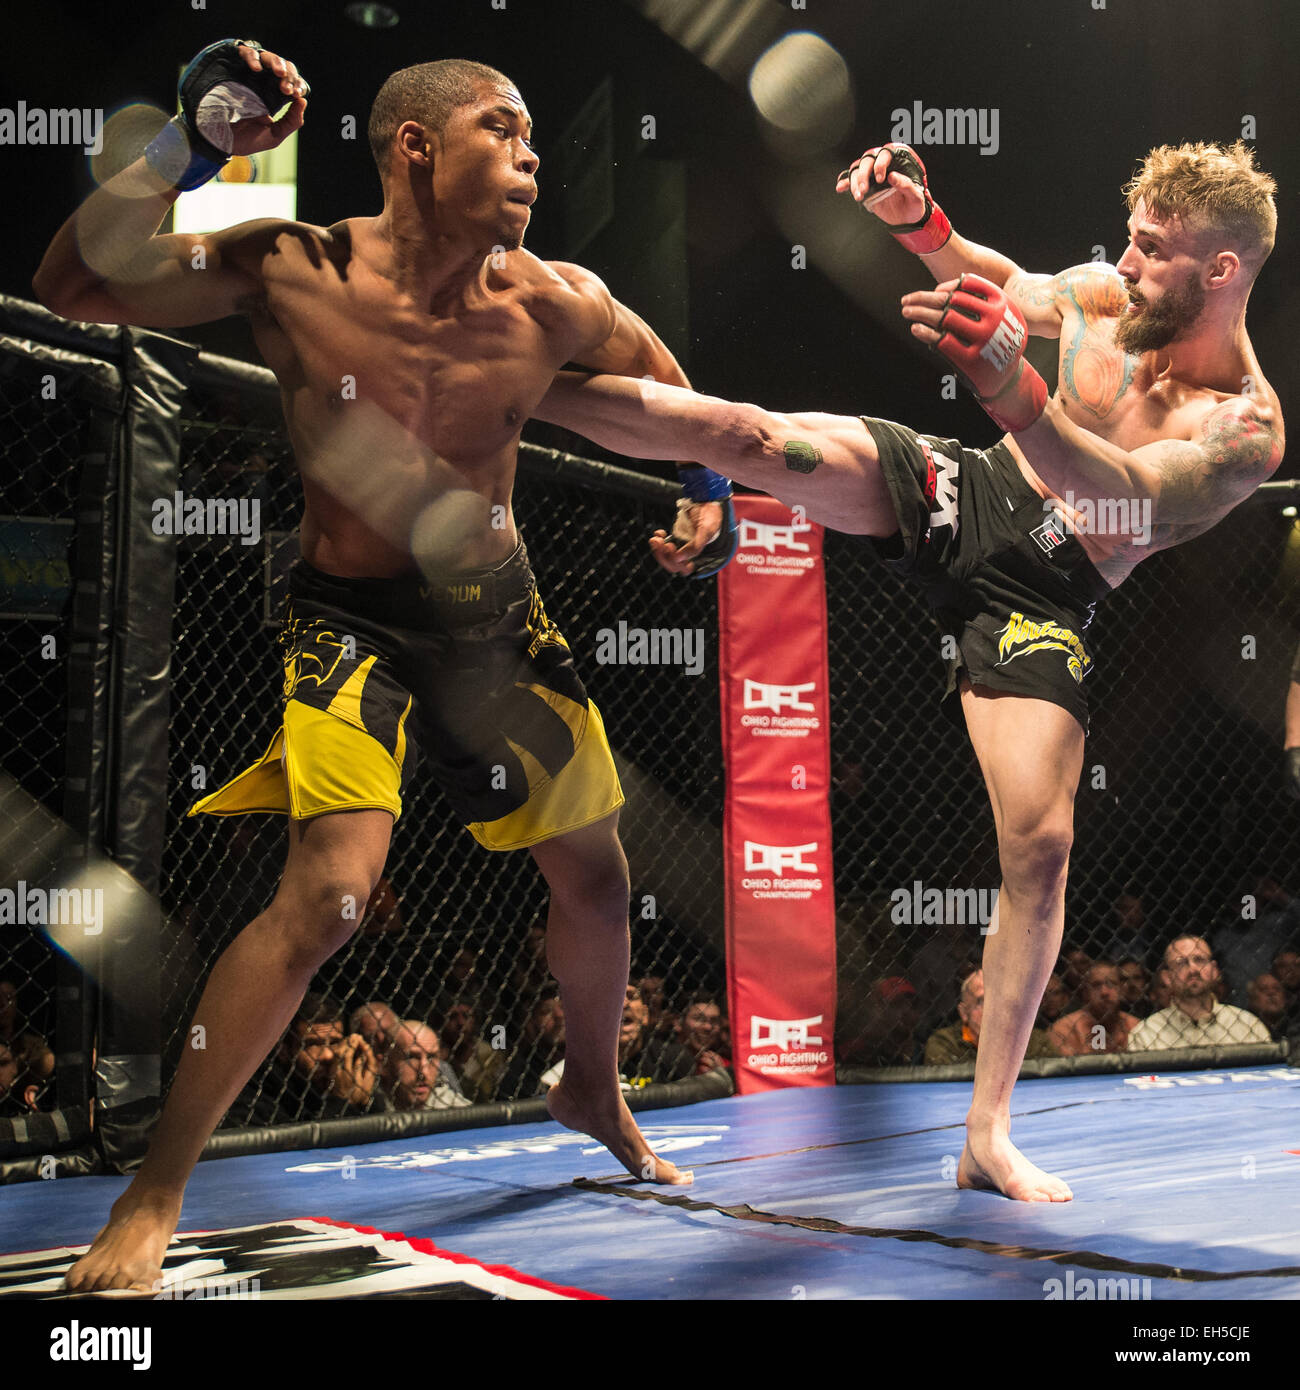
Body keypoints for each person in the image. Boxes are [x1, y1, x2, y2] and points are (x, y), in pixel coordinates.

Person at [41, 40, 721, 1292]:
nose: (531, 157)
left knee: (597, 875)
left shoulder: (553, 300)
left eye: (532, 138)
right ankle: (155, 1187)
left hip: (499, 620)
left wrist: (706, 488)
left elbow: (663, 381)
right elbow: (76, 285)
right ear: (416, 143)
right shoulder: (291, 266)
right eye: (502, 129)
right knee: (329, 899)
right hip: (351, 620)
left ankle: (592, 1087)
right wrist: (189, 145)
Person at [531, 139, 1283, 1200]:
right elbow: (1001, 286)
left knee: (1042, 846)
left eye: (1153, 248)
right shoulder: (1106, 296)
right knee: (755, 438)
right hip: (965, 490)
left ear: (1221, 269)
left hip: (1044, 594)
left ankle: (987, 1132)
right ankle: (501, 390)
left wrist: (1014, 388)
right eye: (1130, 236)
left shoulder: (1246, 429)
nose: (1126, 260)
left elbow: (1121, 497)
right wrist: (921, 226)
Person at [1127, 937, 1272, 1050]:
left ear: (1214, 970)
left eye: (1199, 960)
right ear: (1167, 977)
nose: (1193, 969)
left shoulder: (1248, 1025)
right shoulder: (1146, 1033)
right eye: (1181, 963)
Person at [924, 970, 1057, 1065]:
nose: (993, 1010)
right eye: (981, 1001)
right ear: (964, 1012)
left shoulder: (1033, 1040)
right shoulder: (944, 1044)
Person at [1048, 960, 1140, 1055]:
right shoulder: (1064, 1029)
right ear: (1086, 993)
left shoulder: (1135, 1026)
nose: (1104, 992)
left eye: (1111, 984)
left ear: (1121, 990)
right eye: (1096, 985)